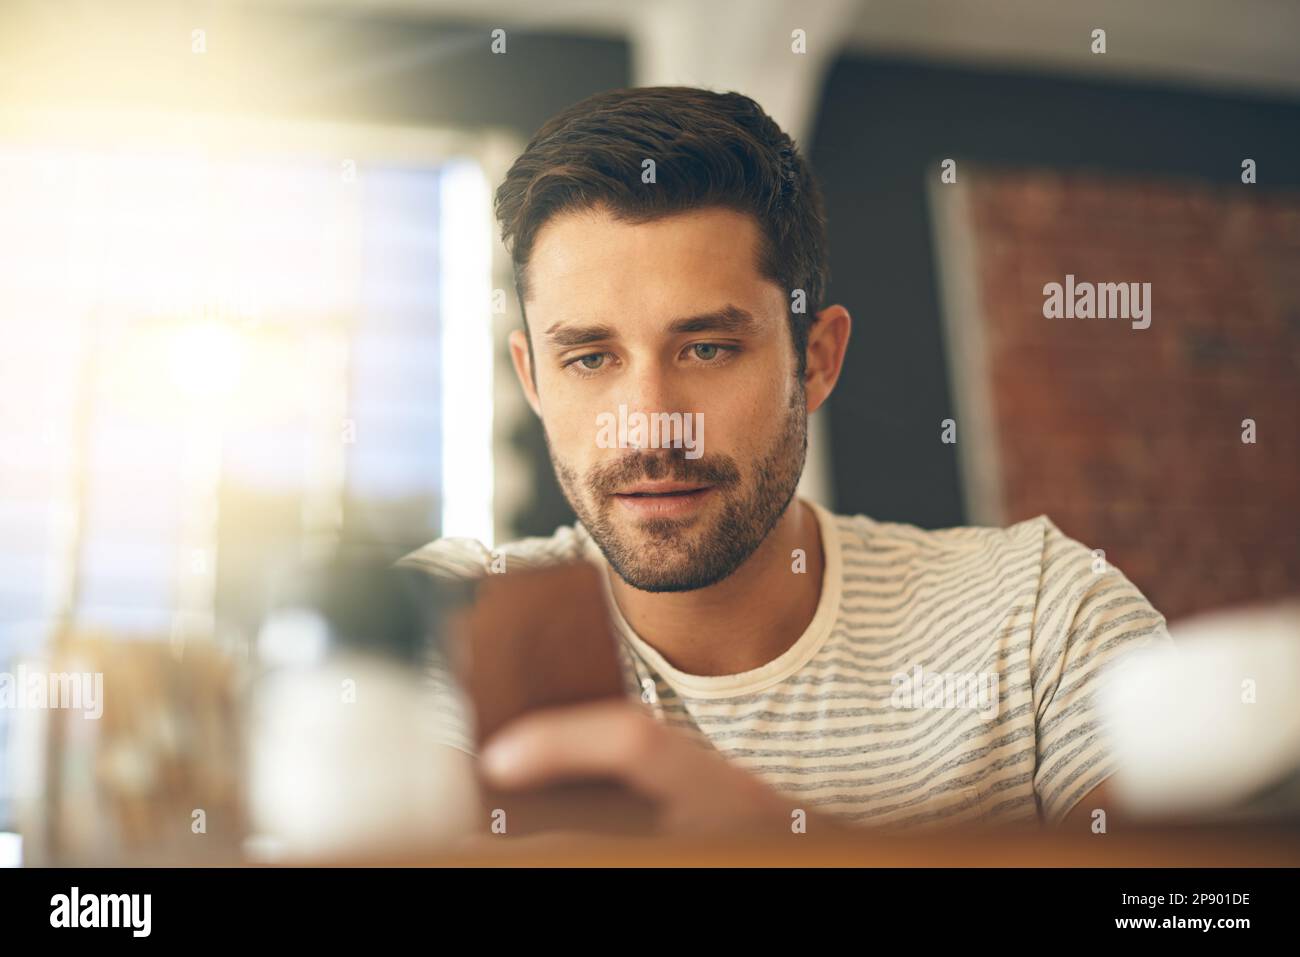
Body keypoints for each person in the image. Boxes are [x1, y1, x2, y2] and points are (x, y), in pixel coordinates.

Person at [401, 86, 1171, 837]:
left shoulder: (1042, 614)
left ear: (817, 359)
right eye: (591, 358)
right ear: (533, 378)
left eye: (707, 348)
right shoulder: (439, 627)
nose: (652, 426)